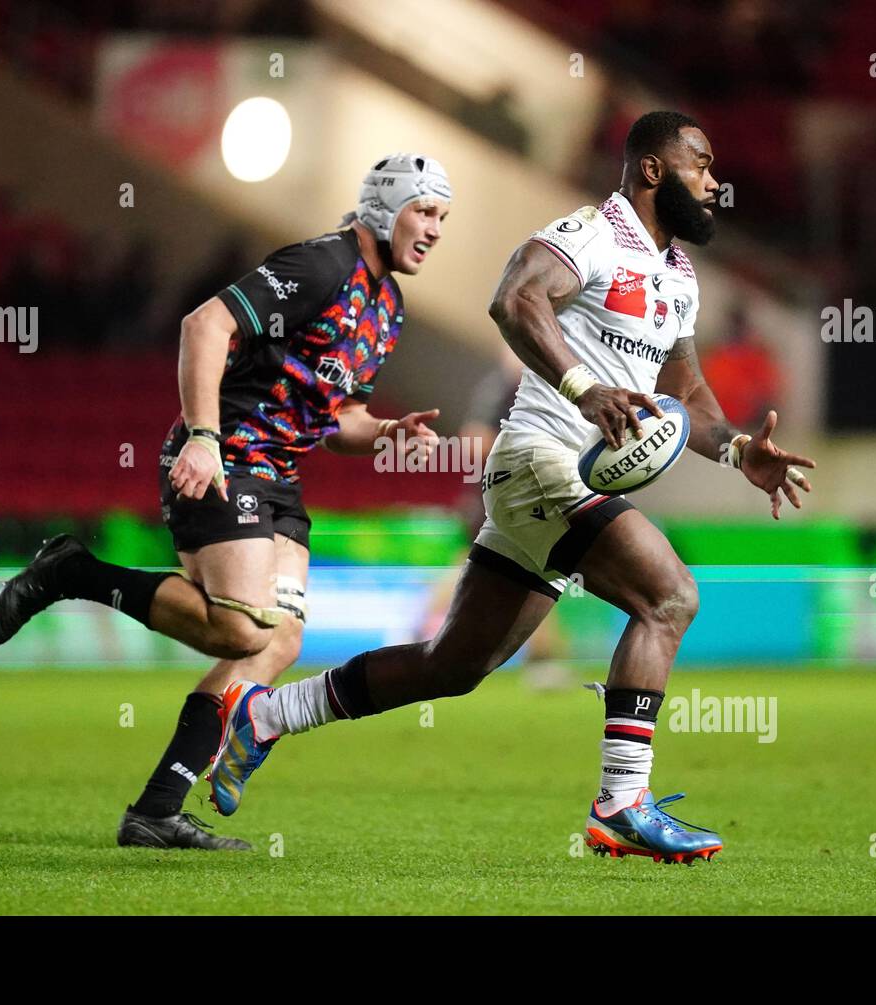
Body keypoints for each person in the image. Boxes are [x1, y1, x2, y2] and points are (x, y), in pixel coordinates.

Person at [206, 111, 816, 866]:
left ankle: (266, 715)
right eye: (702, 163)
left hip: (557, 480)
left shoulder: (680, 276)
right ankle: (621, 803)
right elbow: (514, 296)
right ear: (653, 170)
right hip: (540, 458)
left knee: (452, 665)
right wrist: (587, 389)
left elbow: (688, 396)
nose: (715, 181)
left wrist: (738, 451)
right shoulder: (596, 233)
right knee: (670, 596)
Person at [0, 154, 452, 851]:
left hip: (280, 478)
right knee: (240, 631)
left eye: (443, 217)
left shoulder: (388, 307)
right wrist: (202, 436)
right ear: (385, 209)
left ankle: (156, 810)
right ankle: (72, 572)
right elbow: (204, 326)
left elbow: (340, 417)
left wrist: (384, 430)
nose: (435, 229)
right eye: (425, 211)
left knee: (276, 643)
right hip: (225, 456)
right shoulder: (322, 264)